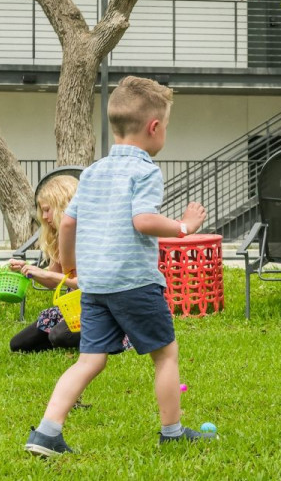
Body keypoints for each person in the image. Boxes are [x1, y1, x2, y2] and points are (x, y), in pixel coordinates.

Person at [24, 76, 208, 458]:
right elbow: (143, 220)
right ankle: (172, 433)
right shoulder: (145, 171)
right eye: (167, 128)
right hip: (134, 283)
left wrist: (72, 265)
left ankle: (46, 432)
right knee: (166, 355)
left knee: (90, 360)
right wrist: (185, 226)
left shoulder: (91, 172)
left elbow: (69, 223)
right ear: (154, 128)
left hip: (95, 286)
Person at [8, 175, 82, 353]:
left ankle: (110, 335)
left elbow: (88, 284)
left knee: (60, 336)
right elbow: (53, 281)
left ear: (63, 206)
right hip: (71, 309)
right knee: (18, 344)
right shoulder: (59, 238)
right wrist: (30, 271)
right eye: (42, 211)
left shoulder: (90, 235)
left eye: (48, 210)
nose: (44, 216)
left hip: (97, 307)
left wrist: (47, 274)